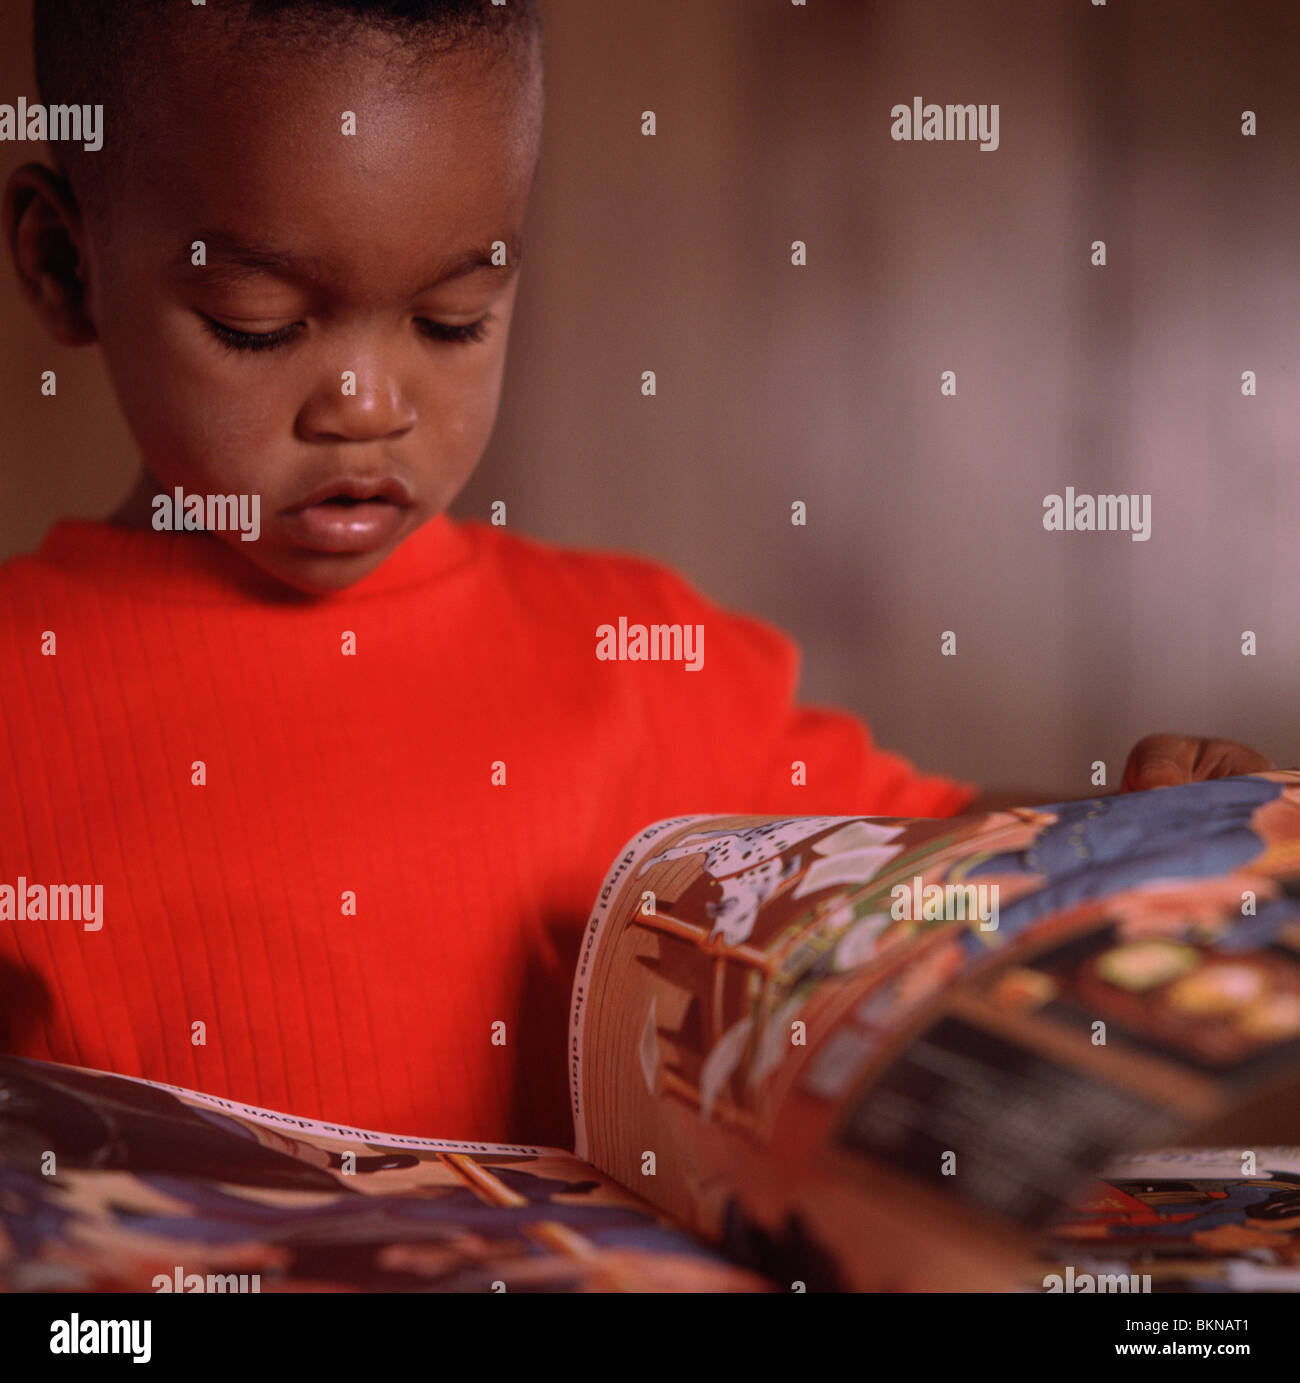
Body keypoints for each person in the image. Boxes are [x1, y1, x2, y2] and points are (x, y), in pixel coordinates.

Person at [0, 0, 1273, 1147]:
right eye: (260, 325)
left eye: (453, 319)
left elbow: (944, 867)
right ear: (63, 265)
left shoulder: (637, 652)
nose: (368, 404)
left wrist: (1165, 824)